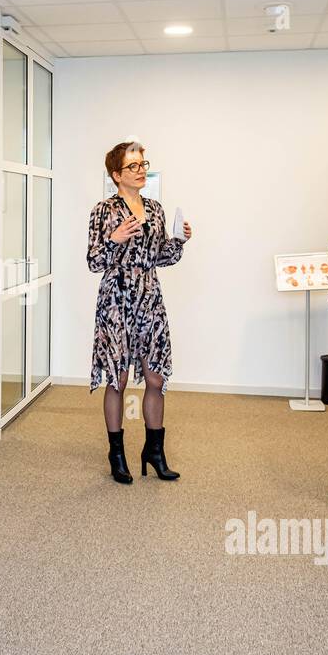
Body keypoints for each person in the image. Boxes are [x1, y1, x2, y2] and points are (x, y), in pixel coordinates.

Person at [87, 141, 191, 484]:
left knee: (155, 379)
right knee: (116, 379)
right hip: (116, 300)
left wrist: (178, 241)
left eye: (144, 164)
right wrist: (114, 238)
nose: (141, 170)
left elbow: (163, 258)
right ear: (116, 175)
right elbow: (93, 262)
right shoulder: (103, 211)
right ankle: (116, 454)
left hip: (149, 298)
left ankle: (154, 451)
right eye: (134, 166)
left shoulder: (156, 209)